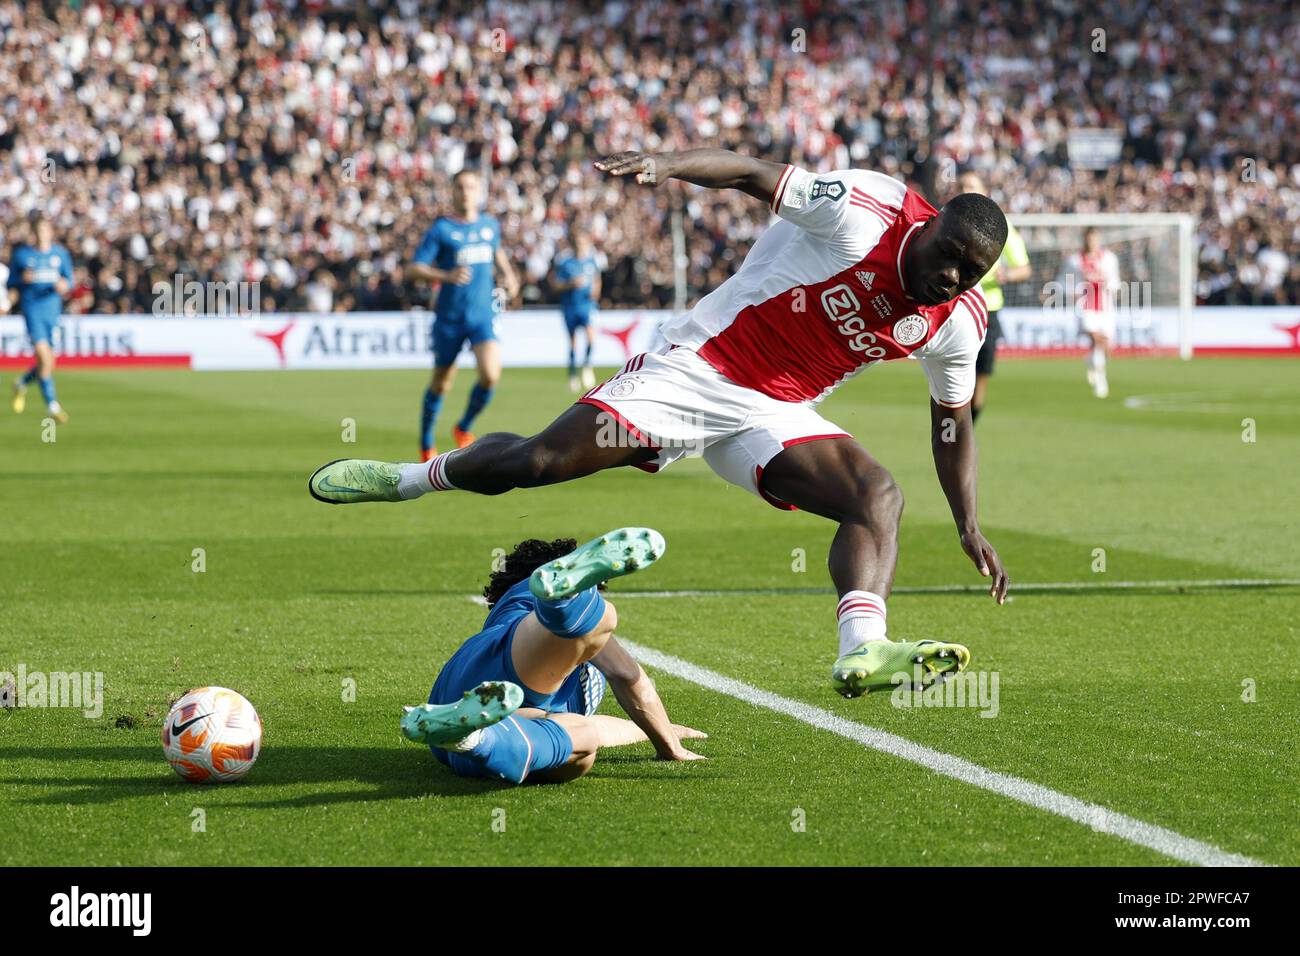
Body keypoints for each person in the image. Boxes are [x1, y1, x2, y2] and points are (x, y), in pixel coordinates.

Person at [312, 148, 1010, 699]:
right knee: (537, 463)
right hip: (696, 368)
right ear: (929, 225)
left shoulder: (958, 325)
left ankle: (862, 649)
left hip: (772, 412)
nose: (951, 276)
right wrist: (666, 165)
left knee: (877, 495)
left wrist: (968, 522)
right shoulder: (864, 209)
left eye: (969, 272)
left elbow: (952, 423)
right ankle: (410, 478)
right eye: (946, 254)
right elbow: (751, 172)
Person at [400, 528, 706, 784]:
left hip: (472, 716)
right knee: (601, 621)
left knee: (583, 739)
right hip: (514, 665)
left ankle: (470, 738)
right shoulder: (523, 598)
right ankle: (565, 601)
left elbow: (601, 729)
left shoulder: (504, 617)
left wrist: (664, 731)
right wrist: (669, 747)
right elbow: (626, 674)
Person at [406, 169, 521, 461]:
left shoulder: (489, 225)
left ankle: (463, 427)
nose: (466, 192)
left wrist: (508, 275)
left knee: (491, 375)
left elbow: (497, 254)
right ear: (453, 192)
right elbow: (413, 268)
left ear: (479, 191)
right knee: (441, 383)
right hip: (449, 317)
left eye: (471, 186)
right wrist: (445, 275)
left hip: (482, 315)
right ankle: (426, 445)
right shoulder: (441, 229)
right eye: (460, 187)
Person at [956, 174, 1031, 422]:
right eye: (962, 187)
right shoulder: (948, 220)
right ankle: (951, 434)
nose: (965, 190)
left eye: (971, 186)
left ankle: (965, 433)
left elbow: (1024, 268)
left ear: (984, 192)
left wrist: (1004, 274)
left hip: (988, 312)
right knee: (952, 380)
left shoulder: (1001, 226)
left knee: (979, 384)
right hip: (955, 309)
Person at [8, 215, 73, 423]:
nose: (41, 234)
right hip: (32, 310)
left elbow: (69, 280)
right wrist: (18, 284)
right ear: (33, 233)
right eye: (37, 230)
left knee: (47, 364)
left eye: (45, 230)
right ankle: (52, 407)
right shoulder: (22, 255)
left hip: (52, 311)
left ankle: (21, 383)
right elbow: (12, 284)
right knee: (44, 359)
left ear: (50, 232)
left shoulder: (60, 254)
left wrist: (65, 286)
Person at [1064, 228, 1121, 398]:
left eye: (1095, 239)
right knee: (1096, 338)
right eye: (1089, 239)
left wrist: (1107, 285)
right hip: (1085, 305)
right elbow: (1066, 281)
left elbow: (1115, 282)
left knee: (1105, 346)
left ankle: (1090, 360)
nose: (1092, 243)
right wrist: (1073, 291)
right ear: (1084, 240)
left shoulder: (1109, 259)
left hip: (1105, 306)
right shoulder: (1075, 260)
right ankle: (1101, 379)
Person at [552, 229, 602, 392]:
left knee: (591, 338)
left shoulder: (592, 262)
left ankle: (587, 365)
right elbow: (556, 285)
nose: (580, 246)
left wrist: (595, 292)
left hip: (587, 306)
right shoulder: (566, 263)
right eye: (578, 243)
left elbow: (597, 280)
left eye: (583, 242)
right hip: (570, 307)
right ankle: (573, 374)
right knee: (573, 342)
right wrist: (571, 284)